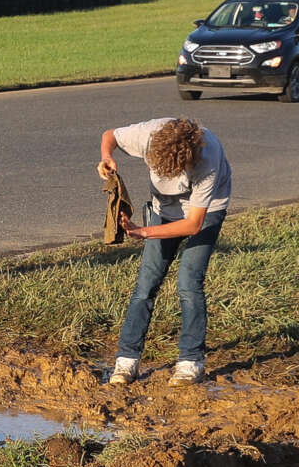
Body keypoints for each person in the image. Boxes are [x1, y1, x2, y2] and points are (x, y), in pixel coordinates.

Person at [96, 115, 231, 385]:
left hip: (206, 210)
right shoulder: (149, 134)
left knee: (189, 283)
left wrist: (144, 232)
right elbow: (109, 134)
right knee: (147, 283)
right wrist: (106, 157)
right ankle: (126, 360)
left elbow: (193, 225)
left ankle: (191, 362)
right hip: (163, 210)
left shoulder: (208, 158)